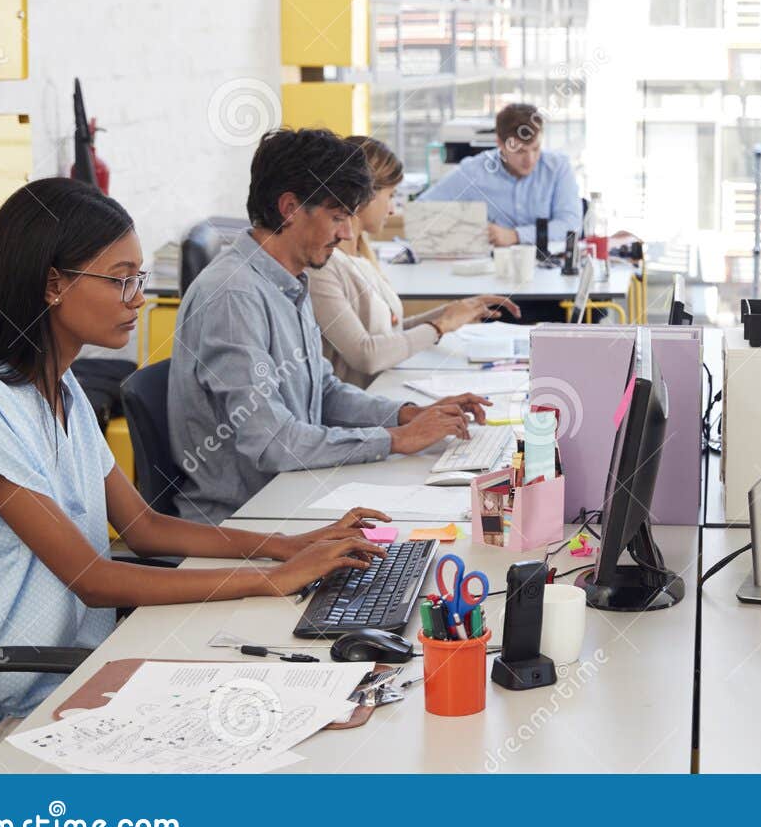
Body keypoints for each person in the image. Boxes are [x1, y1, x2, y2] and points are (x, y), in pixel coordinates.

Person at [0, 178, 391, 774]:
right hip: (0, 719)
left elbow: (145, 527)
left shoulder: (62, 390)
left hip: (74, 677)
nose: (137, 298)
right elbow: (93, 580)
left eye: (138, 277)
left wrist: (287, 546)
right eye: (121, 279)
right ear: (53, 285)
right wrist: (273, 579)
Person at [169, 129, 488, 525]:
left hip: (290, 493)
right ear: (289, 208)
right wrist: (395, 439)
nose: (348, 233)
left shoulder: (290, 279)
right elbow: (271, 442)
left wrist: (407, 415)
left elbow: (324, 392)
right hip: (245, 520)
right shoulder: (234, 297)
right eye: (337, 217)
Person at [310, 135, 519, 388]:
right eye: (390, 195)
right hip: (361, 400)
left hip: (384, 388)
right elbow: (366, 355)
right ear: (364, 195)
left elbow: (391, 334)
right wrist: (441, 326)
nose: (392, 209)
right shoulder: (322, 267)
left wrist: (452, 313)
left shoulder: (362, 255)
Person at [423, 102, 581, 248]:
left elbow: (571, 225)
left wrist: (515, 235)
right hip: (491, 264)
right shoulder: (474, 172)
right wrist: (466, 228)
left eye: (535, 148)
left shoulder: (557, 168)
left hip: (548, 265)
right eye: (520, 151)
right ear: (500, 143)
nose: (530, 159)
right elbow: (422, 209)